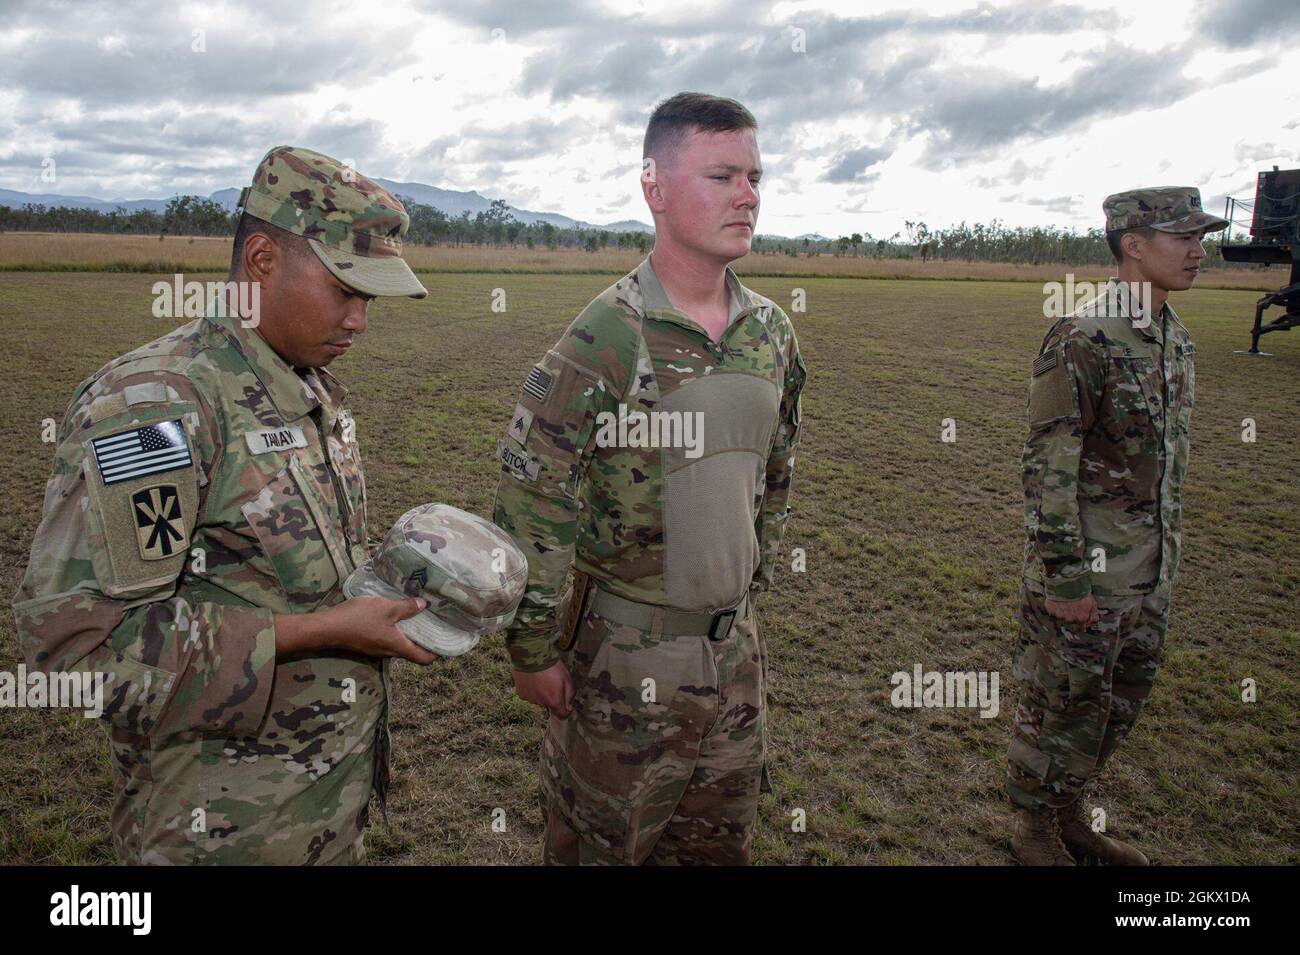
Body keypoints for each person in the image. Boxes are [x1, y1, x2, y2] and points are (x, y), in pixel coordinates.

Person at [12, 145, 435, 864]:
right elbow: (75, 650)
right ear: (262, 260)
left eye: (370, 299)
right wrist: (318, 631)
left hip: (320, 813)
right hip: (220, 832)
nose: (360, 321)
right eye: (345, 289)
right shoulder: (155, 409)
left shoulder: (305, 384)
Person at [493, 92, 807, 865]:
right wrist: (533, 648)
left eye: (755, 177)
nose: (747, 195)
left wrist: (747, 590)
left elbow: (776, 469)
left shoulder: (770, 332)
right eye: (721, 176)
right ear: (654, 189)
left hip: (734, 657)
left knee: (717, 850)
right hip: (624, 662)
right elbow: (535, 491)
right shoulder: (608, 333)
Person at [1006, 187, 1227, 865]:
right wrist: (1066, 577)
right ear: (1133, 245)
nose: (1198, 251)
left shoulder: (1174, 339)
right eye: (1183, 238)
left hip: (1149, 572)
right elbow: (1049, 466)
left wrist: (1162, 566)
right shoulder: (1083, 337)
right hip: (1090, 575)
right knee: (1064, 704)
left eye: (1200, 238)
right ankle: (1034, 830)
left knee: (1118, 705)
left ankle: (1069, 815)